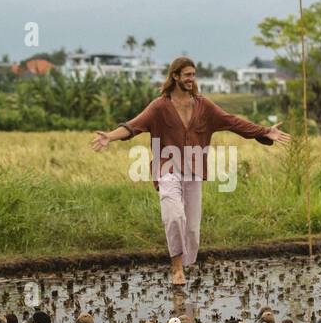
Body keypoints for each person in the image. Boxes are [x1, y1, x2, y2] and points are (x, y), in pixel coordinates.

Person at [91, 56, 289, 284]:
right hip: (167, 168)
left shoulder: (203, 105)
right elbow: (134, 125)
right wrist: (109, 136)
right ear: (175, 76)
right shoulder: (159, 106)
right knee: (175, 216)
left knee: (192, 231)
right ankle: (176, 268)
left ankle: (185, 266)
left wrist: (264, 131)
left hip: (193, 171)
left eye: (193, 75)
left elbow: (232, 121)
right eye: (187, 75)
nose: (191, 79)